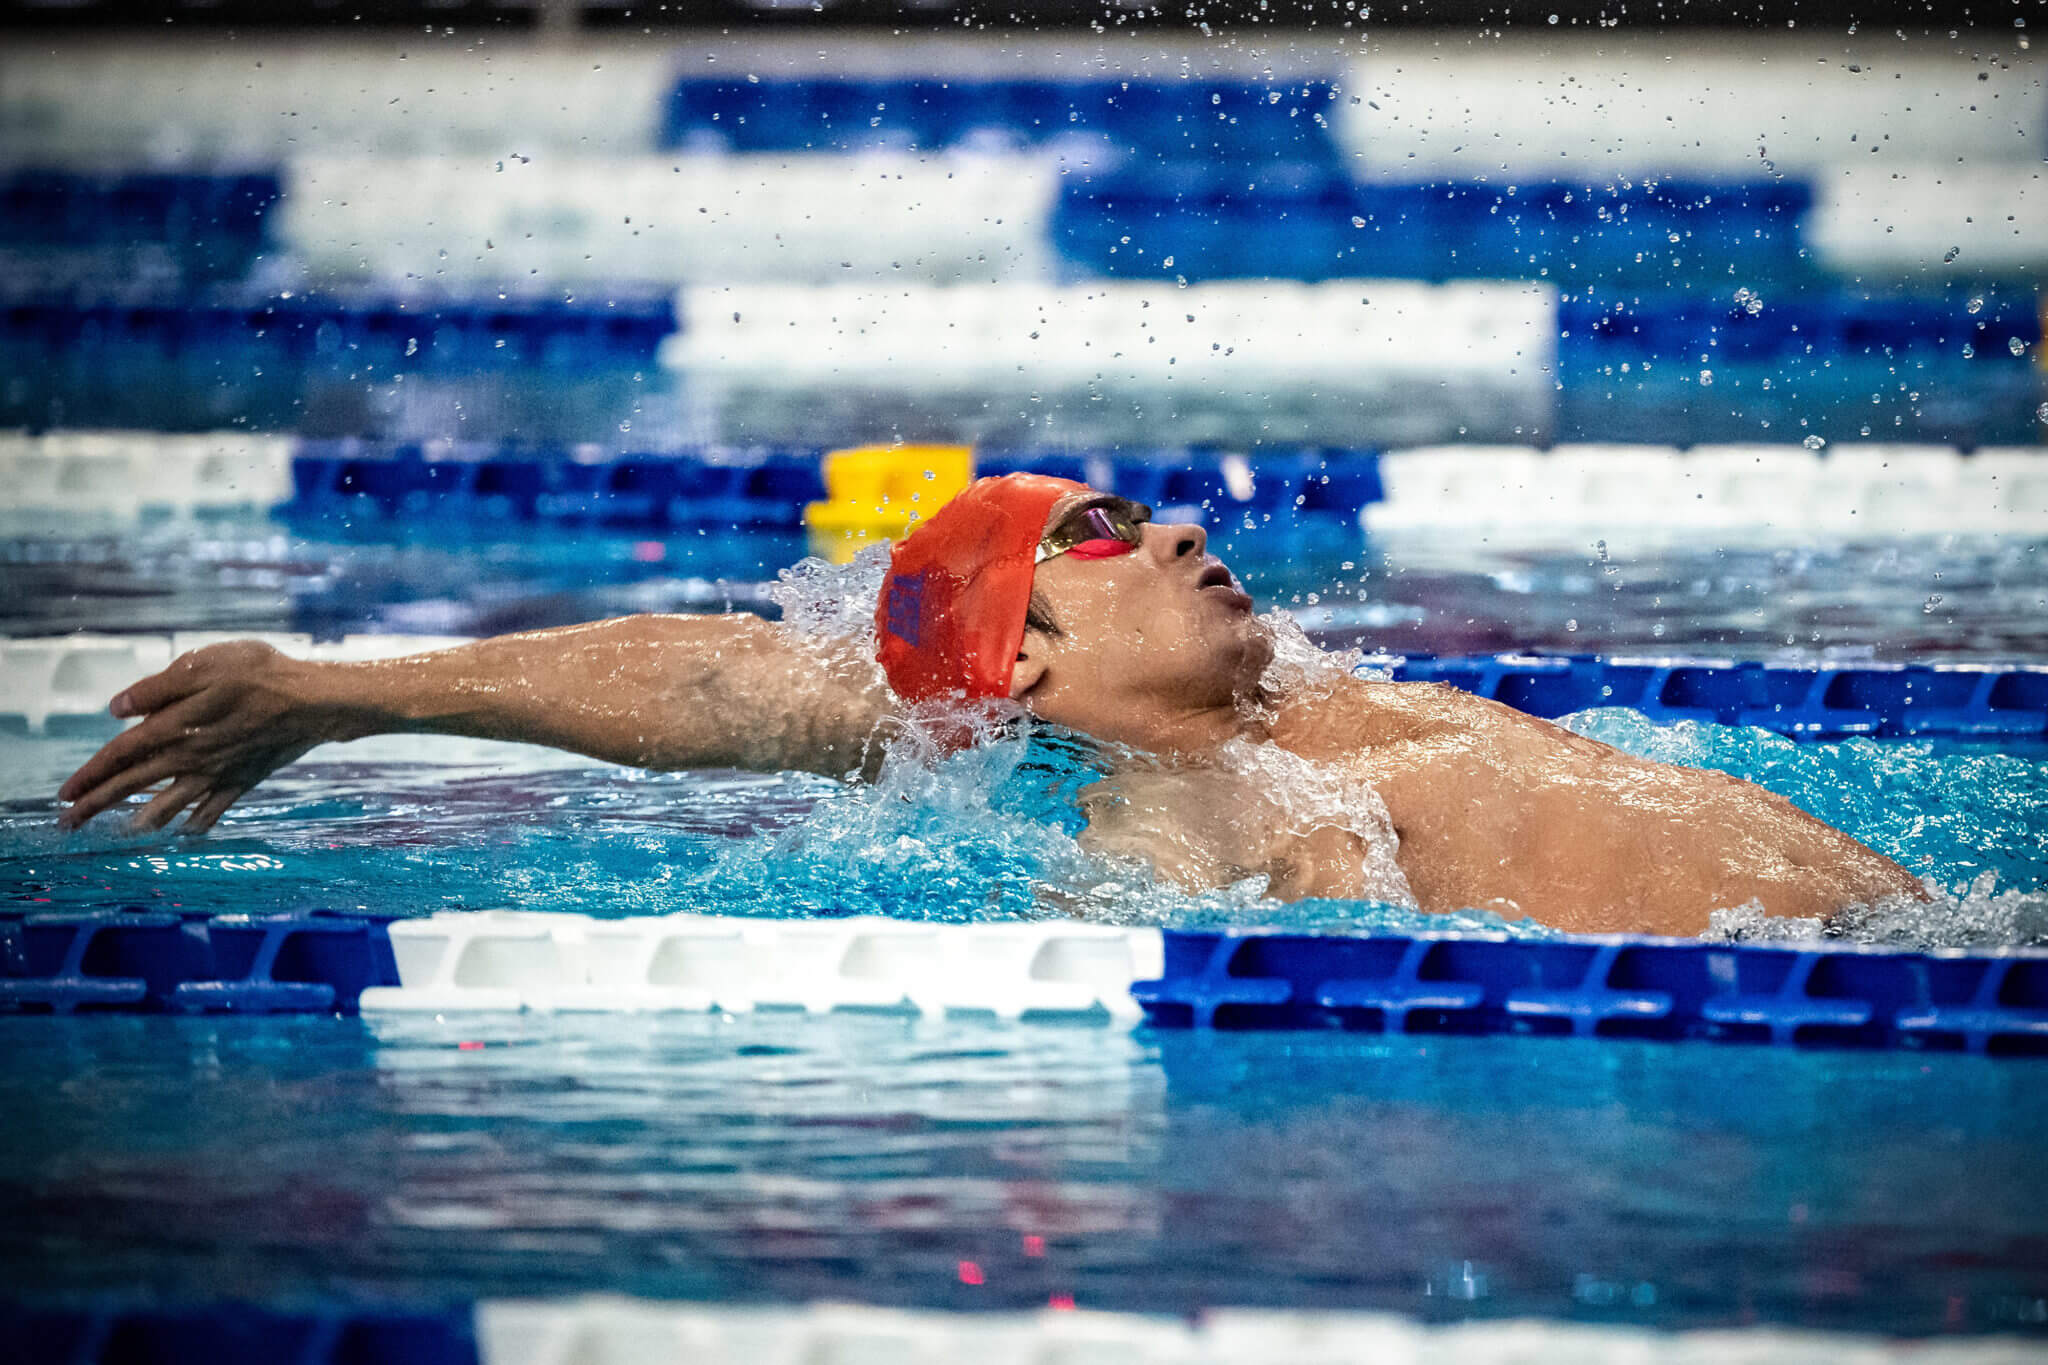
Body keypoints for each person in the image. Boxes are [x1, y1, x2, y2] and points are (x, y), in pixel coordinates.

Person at [55, 473, 1924, 936]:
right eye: (1103, 531)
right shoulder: (1177, 800)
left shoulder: (1314, 702)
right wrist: (329, 691)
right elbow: (740, 677)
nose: (1185, 522)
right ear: (1022, 656)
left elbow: (736, 668)